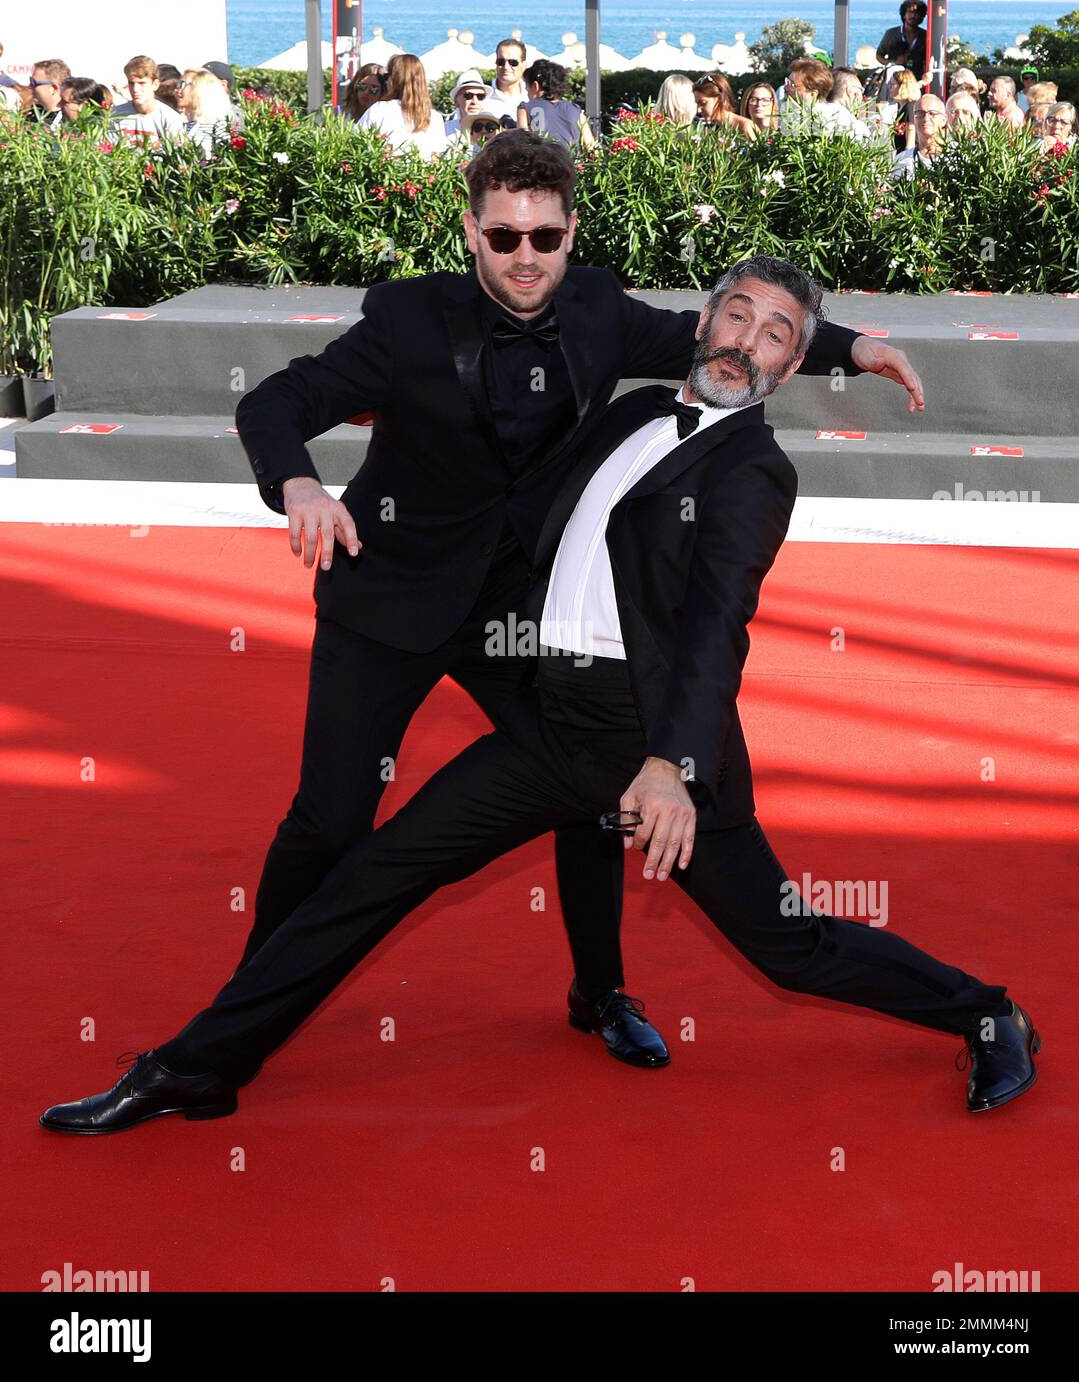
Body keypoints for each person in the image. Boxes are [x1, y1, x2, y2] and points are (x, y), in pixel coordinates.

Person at [38, 254, 1038, 1135]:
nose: (746, 341)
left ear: (787, 365)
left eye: (776, 334)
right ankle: (196, 1069)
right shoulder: (640, 407)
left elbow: (710, 631)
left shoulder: (750, 473)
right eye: (735, 314)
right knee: (373, 874)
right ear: (704, 321)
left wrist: (670, 766)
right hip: (549, 722)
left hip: (641, 739)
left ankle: (985, 1011)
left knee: (786, 945)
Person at [356, 52, 445, 161]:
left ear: (394, 80)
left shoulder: (379, 109)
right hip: (422, 176)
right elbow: (435, 159)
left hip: (386, 175)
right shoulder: (435, 117)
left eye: (386, 76)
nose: (386, 81)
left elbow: (356, 143)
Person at [516, 59, 595, 152]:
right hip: (571, 164)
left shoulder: (524, 109)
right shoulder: (576, 111)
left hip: (539, 163)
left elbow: (522, 145)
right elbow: (591, 146)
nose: (527, 93)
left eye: (527, 88)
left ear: (535, 86)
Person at [109, 54, 185, 144]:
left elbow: (175, 153)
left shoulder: (170, 118)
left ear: (155, 84)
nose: (135, 89)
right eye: (132, 83)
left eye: (142, 83)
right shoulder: (115, 115)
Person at [178, 67, 234, 160]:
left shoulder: (220, 121)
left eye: (183, 84)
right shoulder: (183, 123)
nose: (178, 89)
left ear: (199, 88)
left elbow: (224, 157)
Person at [890, 94, 946, 178]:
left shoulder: (954, 158)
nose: (926, 118)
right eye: (920, 113)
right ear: (914, 119)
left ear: (943, 120)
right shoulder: (902, 160)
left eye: (932, 113)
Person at [876, 0, 928, 82]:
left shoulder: (925, 36)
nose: (913, 16)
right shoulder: (891, 34)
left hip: (916, 82)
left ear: (921, 16)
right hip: (893, 81)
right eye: (910, 12)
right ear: (904, 15)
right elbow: (879, 54)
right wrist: (892, 63)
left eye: (916, 13)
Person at [694, 72, 756, 138]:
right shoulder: (710, 131)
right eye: (697, 103)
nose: (698, 110)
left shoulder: (745, 126)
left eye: (703, 103)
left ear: (719, 99)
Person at [442, 69, 489, 144]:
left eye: (480, 96)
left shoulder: (492, 131)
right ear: (456, 101)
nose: (474, 101)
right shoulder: (443, 130)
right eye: (468, 96)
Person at [486, 37, 528, 116]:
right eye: (501, 62)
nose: (506, 67)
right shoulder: (481, 94)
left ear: (524, 65)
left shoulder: (531, 95)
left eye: (513, 62)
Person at [25, 58, 70, 130]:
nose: (29, 86)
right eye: (30, 81)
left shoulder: (68, 119)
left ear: (53, 88)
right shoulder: (32, 114)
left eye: (34, 83)